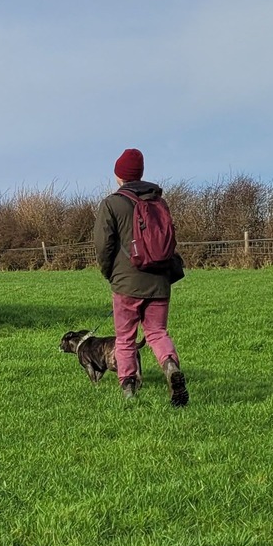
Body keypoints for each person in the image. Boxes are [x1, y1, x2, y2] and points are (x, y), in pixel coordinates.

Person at [94, 148, 188, 405]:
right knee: (157, 332)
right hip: (159, 280)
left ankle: (129, 390)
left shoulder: (111, 204)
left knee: (125, 338)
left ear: (118, 176)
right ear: (141, 174)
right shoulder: (159, 202)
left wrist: (108, 273)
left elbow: (103, 246)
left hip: (126, 283)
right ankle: (170, 367)